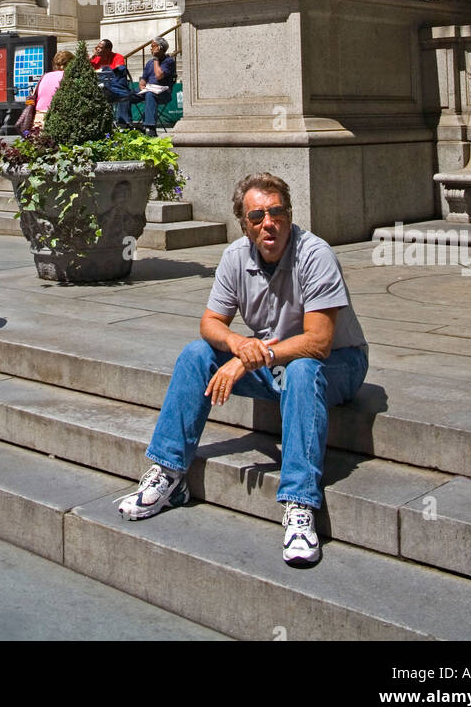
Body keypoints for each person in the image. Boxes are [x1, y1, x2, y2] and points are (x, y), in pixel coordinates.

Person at [116, 173, 368, 567]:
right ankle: (169, 474)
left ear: (289, 214)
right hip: (273, 361)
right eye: (257, 215)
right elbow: (210, 323)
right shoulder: (235, 256)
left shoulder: (315, 254)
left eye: (277, 212)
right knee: (196, 354)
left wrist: (252, 357)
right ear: (245, 224)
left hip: (338, 364)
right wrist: (237, 346)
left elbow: (318, 342)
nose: (269, 222)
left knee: (302, 370)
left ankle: (300, 506)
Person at [132, 37, 176, 134]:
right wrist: (142, 86)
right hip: (149, 90)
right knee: (126, 95)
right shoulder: (149, 63)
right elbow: (143, 80)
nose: (151, 49)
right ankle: (126, 123)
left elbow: (159, 75)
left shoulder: (169, 61)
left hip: (163, 93)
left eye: (153, 46)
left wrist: (156, 58)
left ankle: (151, 129)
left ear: (160, 48)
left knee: (150, 95)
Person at [91, 38, 134, 127]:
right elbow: (84, 68)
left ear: (108, 50)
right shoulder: (95, 59)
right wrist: (92, 56)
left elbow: (118, 72)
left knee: (121, 87)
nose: (97, 49)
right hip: (98, 89)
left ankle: (122, 123)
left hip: (114, 87)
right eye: (97, 47)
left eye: (100, 47)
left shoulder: (117, 57)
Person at [32, 49, 73, 130]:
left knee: (38, 141)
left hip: (39, 116)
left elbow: (32, 96)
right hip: (57, 116)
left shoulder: (44, 76)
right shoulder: (69, 76)